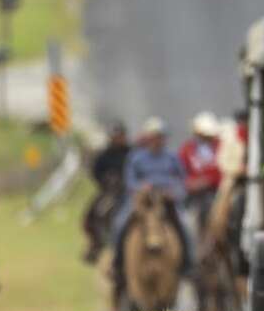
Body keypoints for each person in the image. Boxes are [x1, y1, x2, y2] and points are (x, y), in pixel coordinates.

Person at [112, 117, 193, 284]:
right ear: (148, 138)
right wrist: (141, 187)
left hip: (166, 201)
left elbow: (183, 181)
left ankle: (188, 264)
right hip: (142, 201)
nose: (157, 140)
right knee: (120, 223)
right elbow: (129, 181)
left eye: (160, 137)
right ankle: (118, 264)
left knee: (186, 225)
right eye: (154, 137)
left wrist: (174, 192)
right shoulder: (136, 158)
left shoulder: (172, 158)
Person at [82, 120, 131, 263]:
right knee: (94, 212)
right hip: (109, 191)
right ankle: (96, 243)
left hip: (128, 192)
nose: (118, 138)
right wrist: (105, 181)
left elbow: (137, 171)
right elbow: (95, 172)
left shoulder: (132, 153)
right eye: (116, 136)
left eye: (120, 135)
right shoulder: (104, 155)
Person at [177, 112, 221, 231]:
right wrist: (190, 183)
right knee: (183, 218)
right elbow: (180, 171)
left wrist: (208, 181)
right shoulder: (187, 149)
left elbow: (221, 171)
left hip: (214, 192)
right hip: (192, 194)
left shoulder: (220, 147)